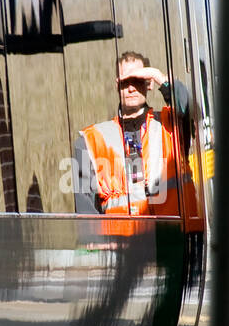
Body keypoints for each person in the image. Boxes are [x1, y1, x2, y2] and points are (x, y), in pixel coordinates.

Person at [74, 51, 190, 216]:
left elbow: (186, 106)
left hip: (171, 236)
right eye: (125, 81)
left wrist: (158, 76)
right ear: (117, 85)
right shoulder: (91, 139)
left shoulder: (170, 124)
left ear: (148, 83)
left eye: (137, 80)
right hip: (121, 239)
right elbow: (85, 211)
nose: (130, 88)